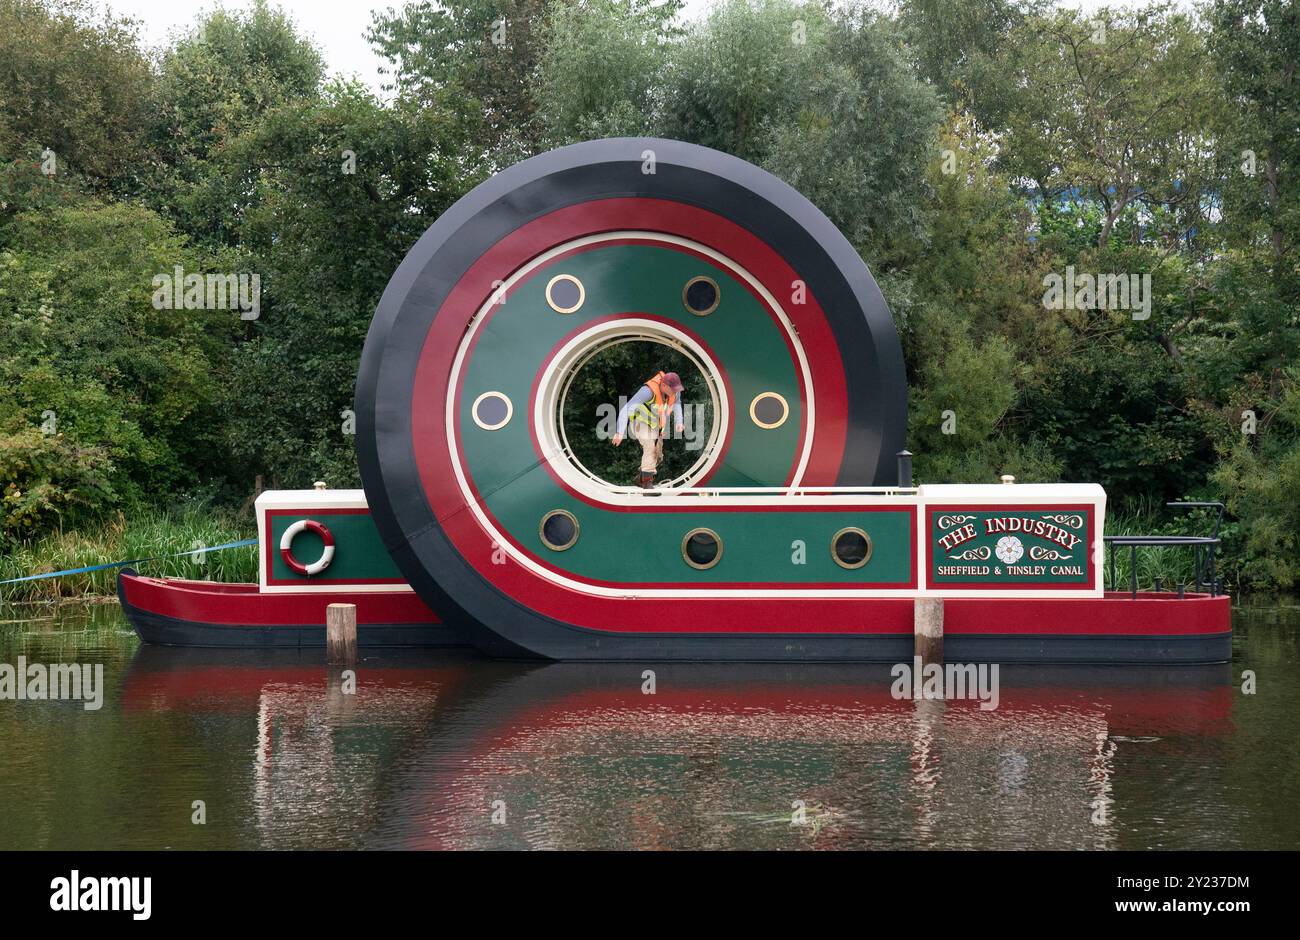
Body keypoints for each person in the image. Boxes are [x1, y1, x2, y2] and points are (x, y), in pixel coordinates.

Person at [612, 371, 685, 488]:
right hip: (640, 422)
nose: (676, 392)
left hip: (656, 426)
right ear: (664, 385)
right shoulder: (647, 391)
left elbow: (677, 405)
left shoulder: (675, 392)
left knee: (658, 456)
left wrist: (679, 422)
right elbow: (626, 409)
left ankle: (640, 478)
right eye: (673, 389)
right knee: (650, 446)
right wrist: (619, 432)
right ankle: (647, 483)